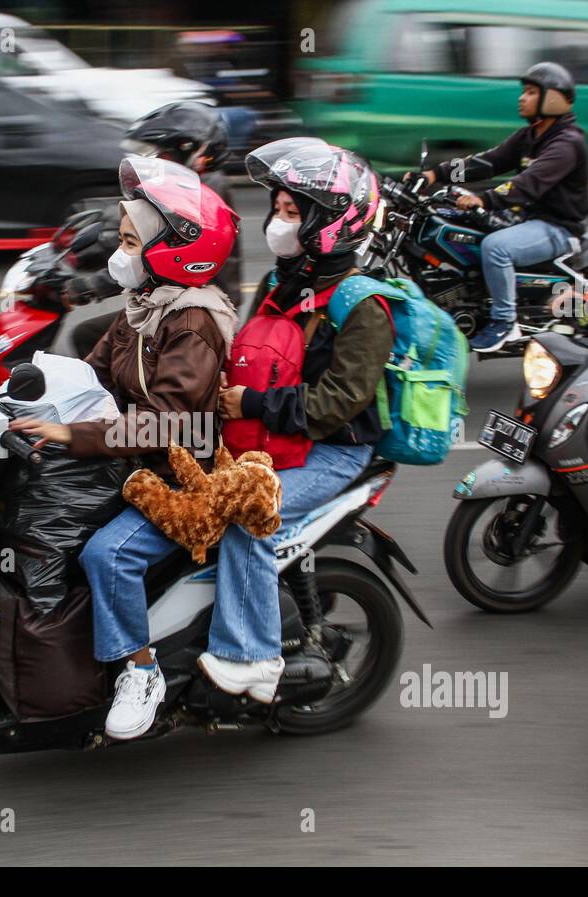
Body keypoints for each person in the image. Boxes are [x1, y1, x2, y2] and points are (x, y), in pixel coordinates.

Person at [9, 156, 240, 740]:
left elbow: (170, 424)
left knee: (106, 555)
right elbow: (93, 378)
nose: (119, 251)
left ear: (170, 251)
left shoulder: (193, 323)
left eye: (131, 241)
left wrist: (75, 434)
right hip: (135, 460)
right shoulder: (144, 309)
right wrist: (34, 406)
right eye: (122, 238)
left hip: (182, 477)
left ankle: (142, 670)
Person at [213, 138, 392, 700]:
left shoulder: (362, 305)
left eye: (295, 212)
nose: (278, 222)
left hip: (334, 451)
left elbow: (340, 402)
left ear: (331, 223)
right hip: (270, 437)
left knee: (249, 511)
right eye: (279, 210)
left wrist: (253, 405)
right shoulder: (278, 284)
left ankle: (254, 658)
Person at [416, 62, 588, 352]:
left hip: (557, 228)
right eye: (524, 92)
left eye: (531, 92)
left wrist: (485, 199)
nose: (522, 98)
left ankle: (504, 322)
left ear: (553, 98)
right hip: (526, 220)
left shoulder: (566, 143)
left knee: (496, 247)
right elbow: (487, 162)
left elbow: (528, 183)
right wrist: (434, 175)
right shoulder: (530, 136)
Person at [67, 101, 242, 358]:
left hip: (188, 304)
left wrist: (92, 285)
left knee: (88, 336)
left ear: (192, 151)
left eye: (164, 155)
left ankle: (124, 398)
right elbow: (136, 231)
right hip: (167, 296)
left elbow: (154, 254)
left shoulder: (200, 195)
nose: (158, 161)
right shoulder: (176, 189)